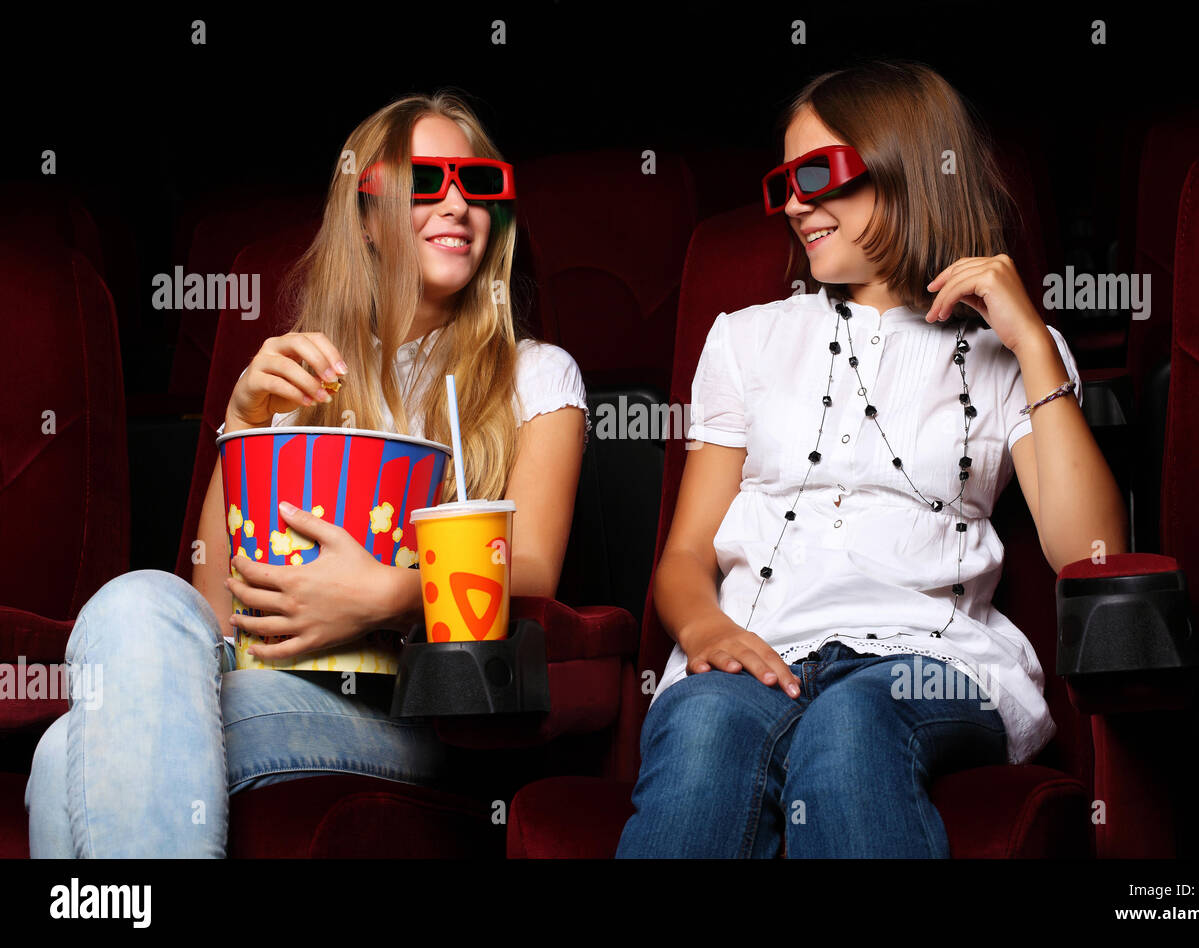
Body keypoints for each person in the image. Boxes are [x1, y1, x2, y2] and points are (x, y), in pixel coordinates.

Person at [25, 90, 590, 857]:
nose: (457, 203)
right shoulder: (304, 379)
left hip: (407, 706)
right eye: (425, 182)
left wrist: (384, 595)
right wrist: (244, 419)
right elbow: (212, 608)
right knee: (137, 599)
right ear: (366, 217)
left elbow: (532, 569)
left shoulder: (536, 375)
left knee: (68, 751)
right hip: (265, 672)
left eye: (478, 183)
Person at [616, 61, 1127, 858]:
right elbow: (684, 554)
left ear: (904, 167)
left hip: (924, 661)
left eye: (818, 173)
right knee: (703, 724)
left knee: (851, 724)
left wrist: (1030, 340)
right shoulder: (745, 337)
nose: (793, 202)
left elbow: (1092, 551)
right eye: (783, 180)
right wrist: (707, 627)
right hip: (759, 647)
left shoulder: (1017, 353)